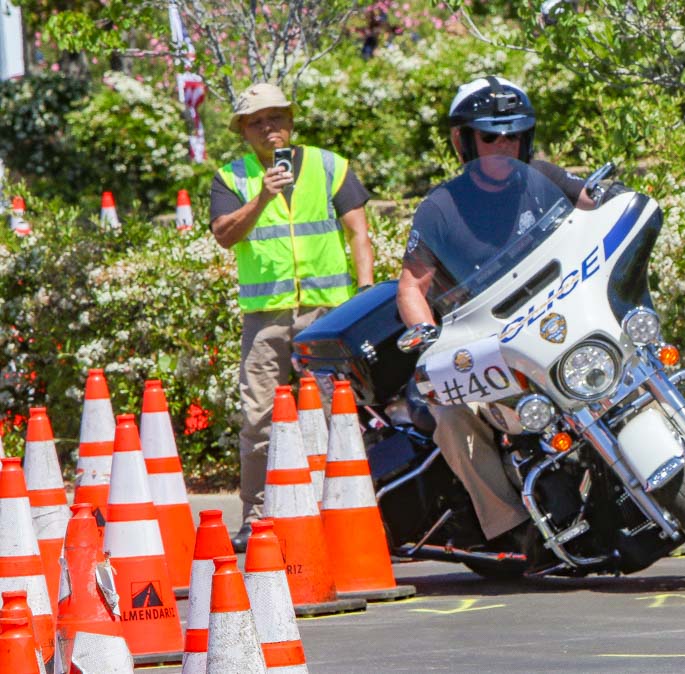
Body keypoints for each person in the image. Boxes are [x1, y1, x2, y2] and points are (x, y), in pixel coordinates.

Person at [397, 76, 593, 550]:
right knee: (448, 411)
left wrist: (619, 201)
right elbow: (411, 287)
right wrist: (427, 334)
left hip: (559, 321)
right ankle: (511, 526)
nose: (503, 144)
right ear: (463, 140)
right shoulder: (440, 208)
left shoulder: (544, 179)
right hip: (487, 344)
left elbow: (592, 199)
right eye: (490, 135)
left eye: (514, 134)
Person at [210, 82, 374, 551]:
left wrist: (363, 296)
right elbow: (224, 235)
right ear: (243, 131)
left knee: (333, 412)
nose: (270, 128)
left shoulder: (329, 165)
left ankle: (341, 506)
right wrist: (262, 197)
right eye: (258, 122)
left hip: (327, 312)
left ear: (291, 121)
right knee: (259, 417)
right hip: (267, 316)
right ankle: (257, 515)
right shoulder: (232, 177)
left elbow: (359, 233)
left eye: (277, 117)